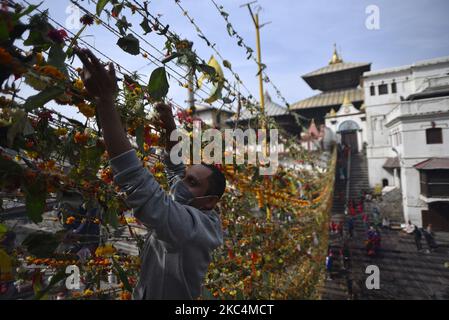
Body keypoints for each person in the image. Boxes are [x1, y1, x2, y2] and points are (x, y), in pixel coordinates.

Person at [74, 48, 226, 300]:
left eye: (192, 182)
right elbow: (176, 169)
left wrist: (105, 101)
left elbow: (137, 180)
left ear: (210, 201)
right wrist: (171, 128)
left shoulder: (191, 227)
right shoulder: (197, 211)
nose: (180, 184)